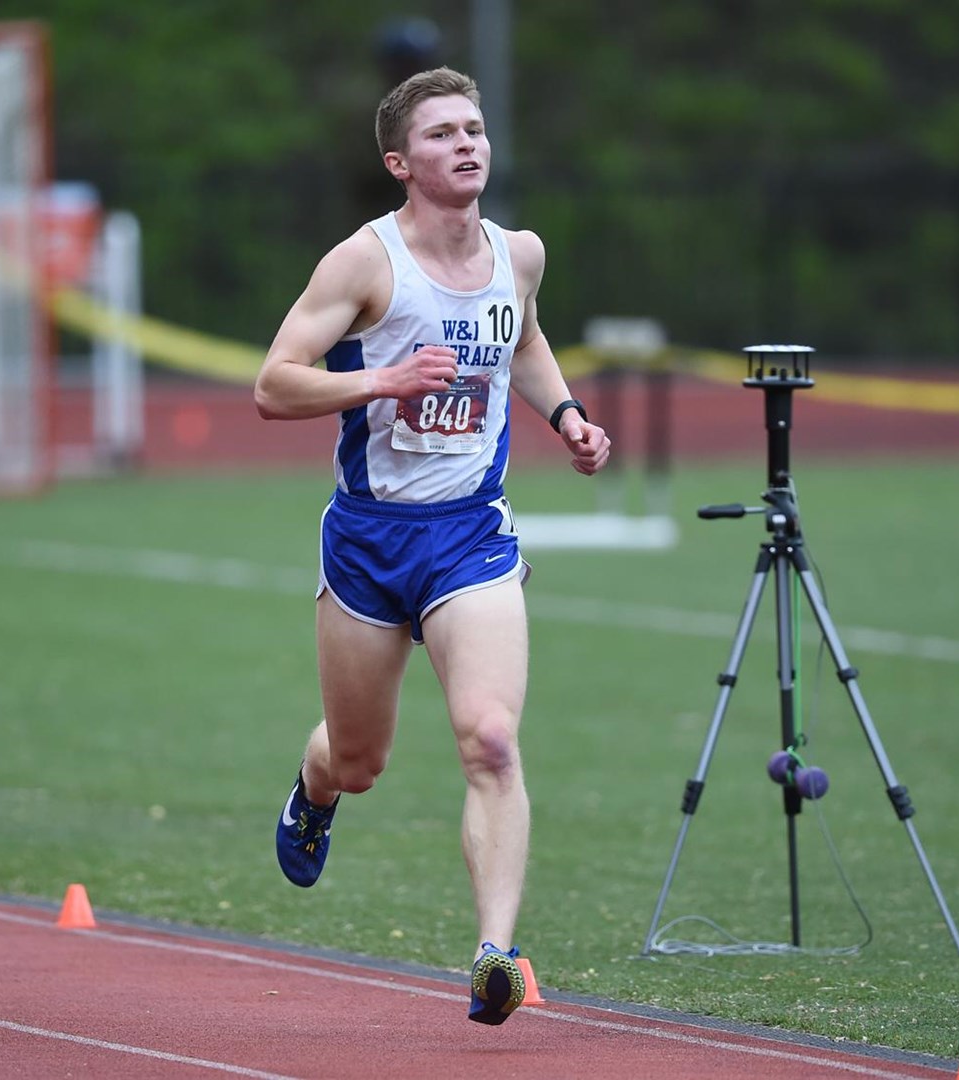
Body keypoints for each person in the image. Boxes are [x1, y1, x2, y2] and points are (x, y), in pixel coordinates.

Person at [253, 66, 610, 1027]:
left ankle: (497, 953)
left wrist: (567, 413)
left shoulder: (518, 254)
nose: (469, 144)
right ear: (401, 162)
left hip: (471, 536)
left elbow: (522, 338)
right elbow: (274, 385)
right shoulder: (363, 265)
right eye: (445, 133)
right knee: (360, 759)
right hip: (369, 542)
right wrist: (383, 382)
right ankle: (314, 790)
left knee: (491, 739)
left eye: (477, 127)